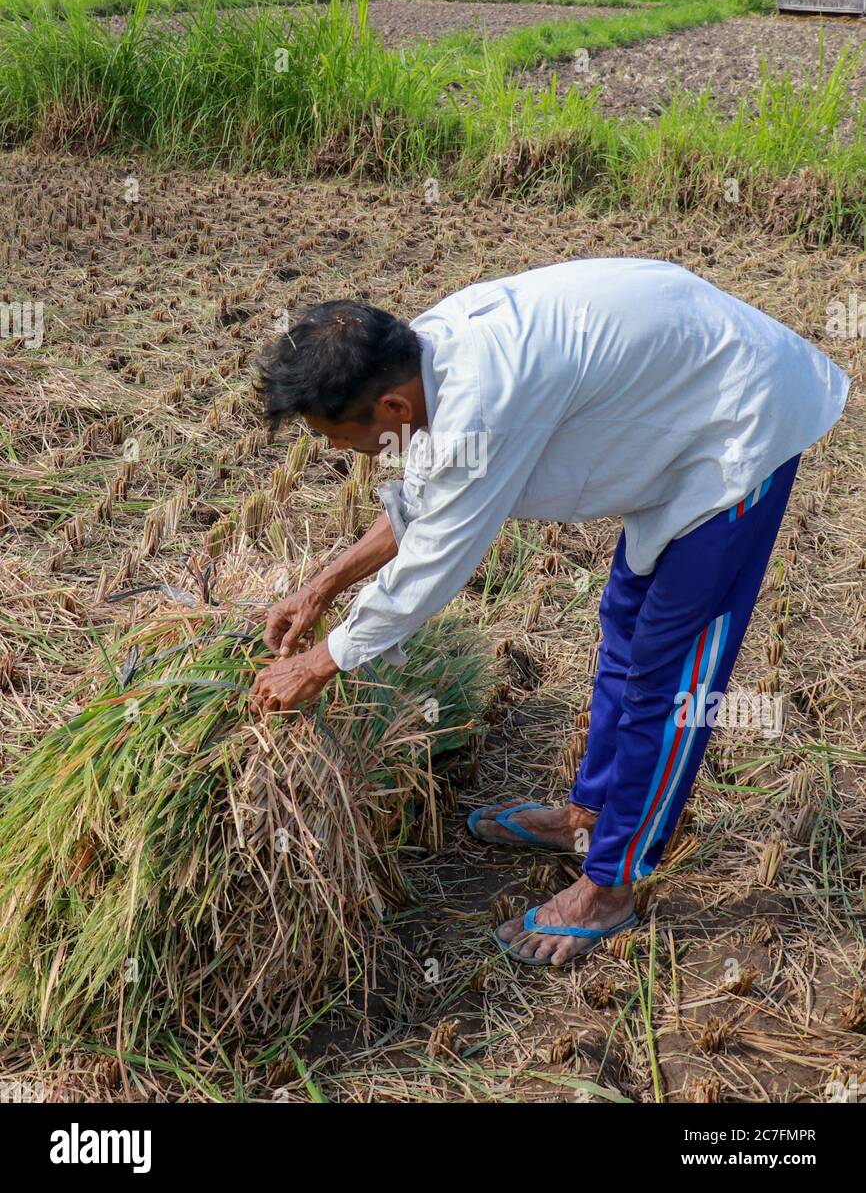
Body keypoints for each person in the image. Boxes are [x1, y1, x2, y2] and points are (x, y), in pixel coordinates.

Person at [251, 258, 849, 968]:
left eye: (335, 437)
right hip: (678, 413)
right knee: (625, 631)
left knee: (671, 682)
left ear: (390, 410)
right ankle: (587, 819)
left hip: (738, 427)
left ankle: (611, 886)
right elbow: (427, 503)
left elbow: (436, 561)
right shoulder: (426, 358)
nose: (340, 452)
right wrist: (321, 588)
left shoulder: (484, 398)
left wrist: (321, 662)